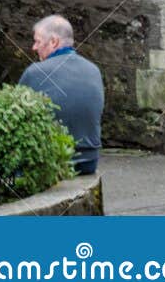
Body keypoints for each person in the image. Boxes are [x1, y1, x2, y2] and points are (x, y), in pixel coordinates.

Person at [17, 16, 104, 174]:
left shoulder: (35, 72)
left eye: (37, 41)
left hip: (51, 161)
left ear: (54, 42)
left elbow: (15, 119)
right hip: (89, 161)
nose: (34, 48)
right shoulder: (94, 70)